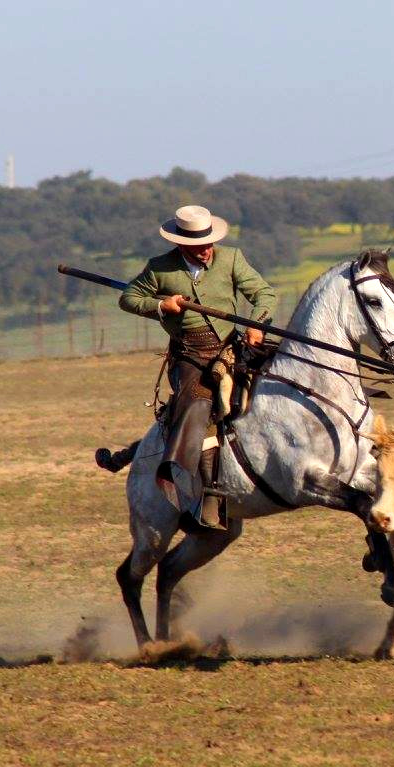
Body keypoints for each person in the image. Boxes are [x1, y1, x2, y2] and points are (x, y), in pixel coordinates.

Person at [115, 204, 276, 528]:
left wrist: (257, 324)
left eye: (208, 242)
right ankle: (210, 498)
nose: (206, 250)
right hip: (190, 354)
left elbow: (264, 294)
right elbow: (129, 298)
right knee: (200, 407)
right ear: (181, 243)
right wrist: (161, 304)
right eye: (198, 244)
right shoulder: (159, 269)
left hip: (235, 346)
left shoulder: (231, 258)